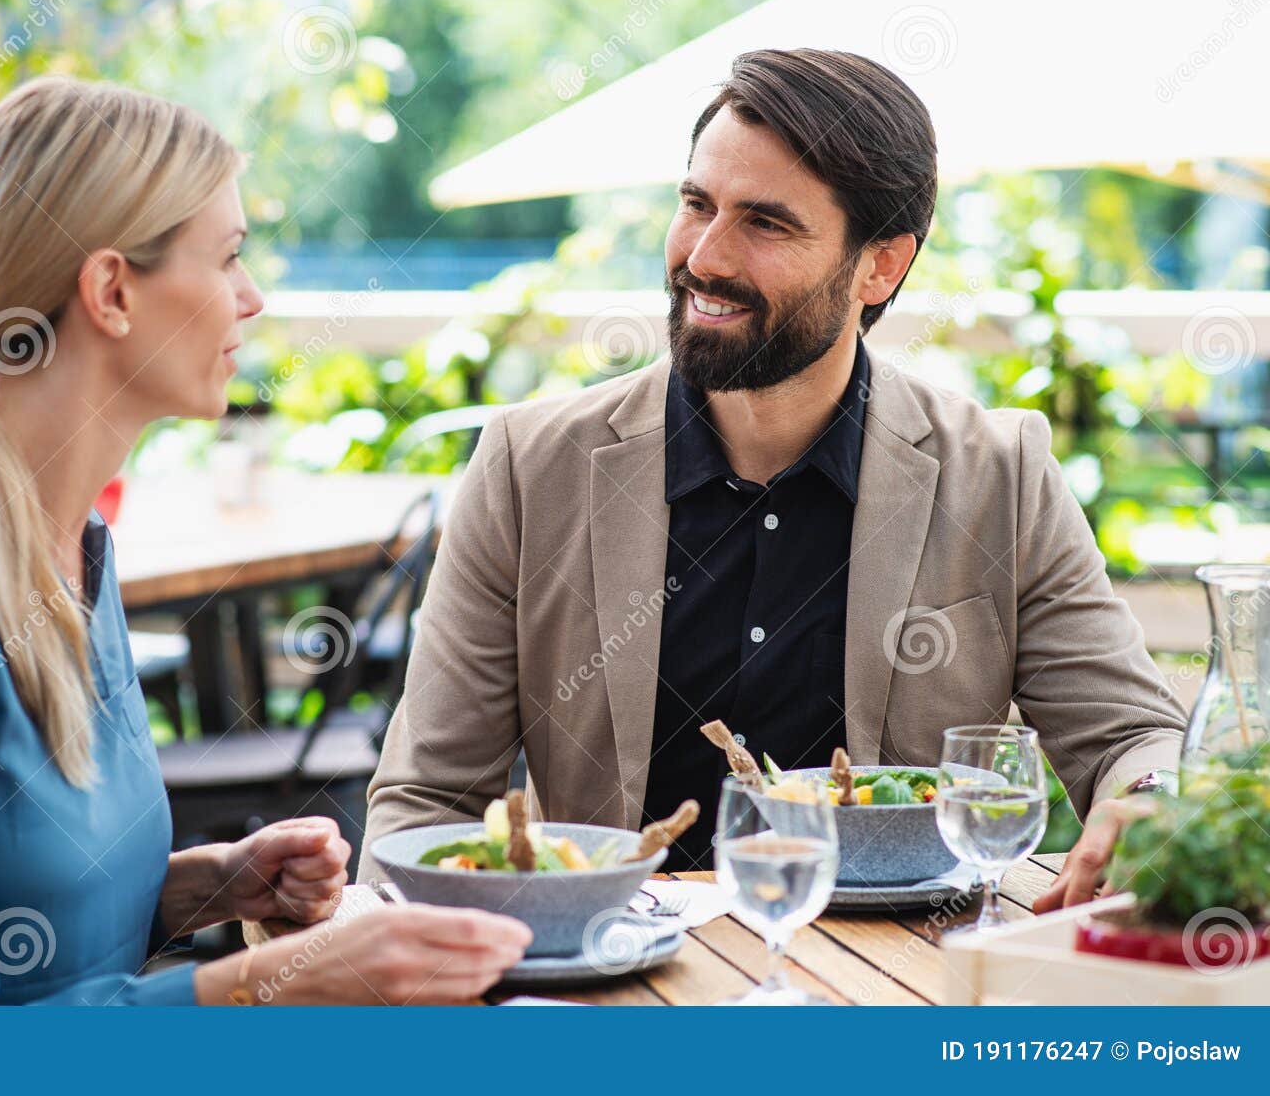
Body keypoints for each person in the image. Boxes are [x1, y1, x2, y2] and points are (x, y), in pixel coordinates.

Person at [0, 77, 529, 1006]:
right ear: (111, 289)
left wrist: (203, 888)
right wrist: (264, 987)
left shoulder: (74, 542)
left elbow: (21, 914)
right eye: (228, 257)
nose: (254, 296)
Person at [358, 48, 1185, 901]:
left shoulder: (999, 476)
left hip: (900, 990)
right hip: (611, 984)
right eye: (696, 204)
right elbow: (428, 801)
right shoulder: (530, 468)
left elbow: (1133, 735)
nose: (705, 257)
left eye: (766, 223)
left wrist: (1152, 800)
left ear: (882, 265)